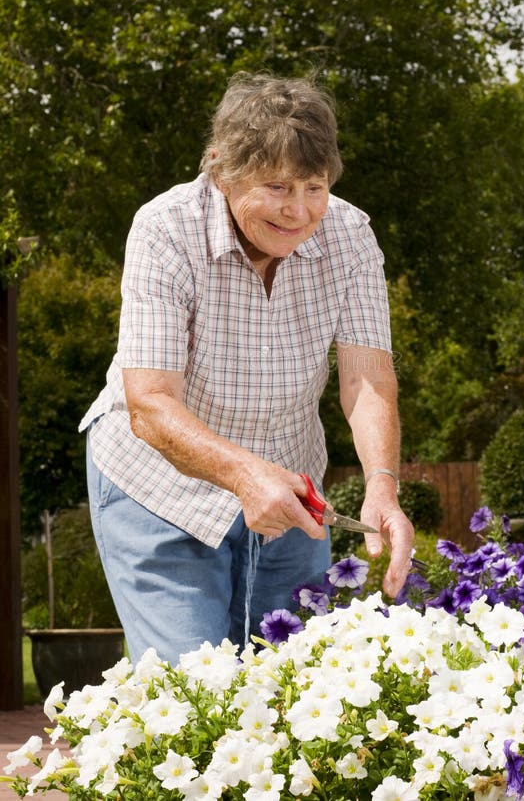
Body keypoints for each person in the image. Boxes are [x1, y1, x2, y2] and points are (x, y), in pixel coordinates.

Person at [80, 71, 414, 665]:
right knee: (195, 696)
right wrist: (242, 475)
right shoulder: (164, 229)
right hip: (159, 487)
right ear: (221, 170)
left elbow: (367, 379)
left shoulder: (351, 235)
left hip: (288, 494)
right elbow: (150, 404)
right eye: (277, 187)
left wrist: (381, 486)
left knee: (294, 694)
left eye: (314, 187)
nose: (300, 210)